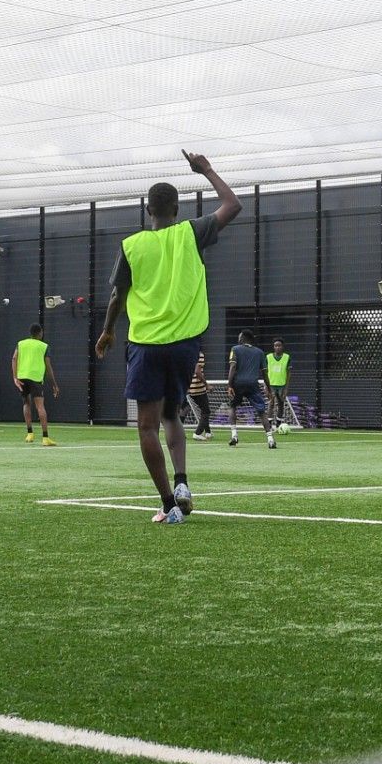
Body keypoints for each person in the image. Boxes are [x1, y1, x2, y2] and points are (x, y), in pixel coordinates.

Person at [95, 150, 242, 524]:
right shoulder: (192, 233)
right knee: (170, 415)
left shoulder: (132, 246)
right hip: (184, 343)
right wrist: (206, 169)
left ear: (149, 211)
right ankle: (182, 482)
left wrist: (108, 331)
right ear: (177, 208)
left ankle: (168, 504)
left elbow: (117, 296)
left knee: (146, 425)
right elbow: (233, 204)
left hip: (145, 344)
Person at [12, 323, 59, 446]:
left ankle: (30, 434)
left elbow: (14, 358)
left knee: (26, 403)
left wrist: (15, 377)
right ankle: (45, 438)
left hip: (22, 376)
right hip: (35, 378)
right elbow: (48, 367)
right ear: (40, 333)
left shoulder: (21, 344)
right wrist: (54, 384)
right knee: (40, 406)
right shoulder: (44, 346)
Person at [226, 329, 274, 449]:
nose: (238, 339)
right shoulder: (260, 352)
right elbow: (265, 373)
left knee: (232, 406)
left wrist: (229, 385)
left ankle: (234, 435)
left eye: (239, 337)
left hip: (238, 383)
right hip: (253, 384)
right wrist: (269, 389)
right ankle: (270, 439)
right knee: (261, 411)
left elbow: (232, 367)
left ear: (242, 339)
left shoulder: (235, 349)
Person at [265, 338, 292, 428]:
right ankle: (269, 424)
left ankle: (278, 423)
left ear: (282, 346)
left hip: (282, 385)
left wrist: (286, 388)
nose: (277, 347)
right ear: (273, 347)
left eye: (279, 345)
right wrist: (266, 386)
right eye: (275, 345)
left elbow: (288, 373)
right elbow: (265, 372)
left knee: (281, 404)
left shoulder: (287, 357)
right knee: (271, 403)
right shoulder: (268, 357)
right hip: (271, 384)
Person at [188, 352, 212, 441]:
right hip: (197, 388)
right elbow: (197, 371)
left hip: (191, 386)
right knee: (206, 411)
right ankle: (197, 433)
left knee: (204, 409)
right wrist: (206, 385)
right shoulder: (199, 355)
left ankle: (208, 432)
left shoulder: (188, 354)